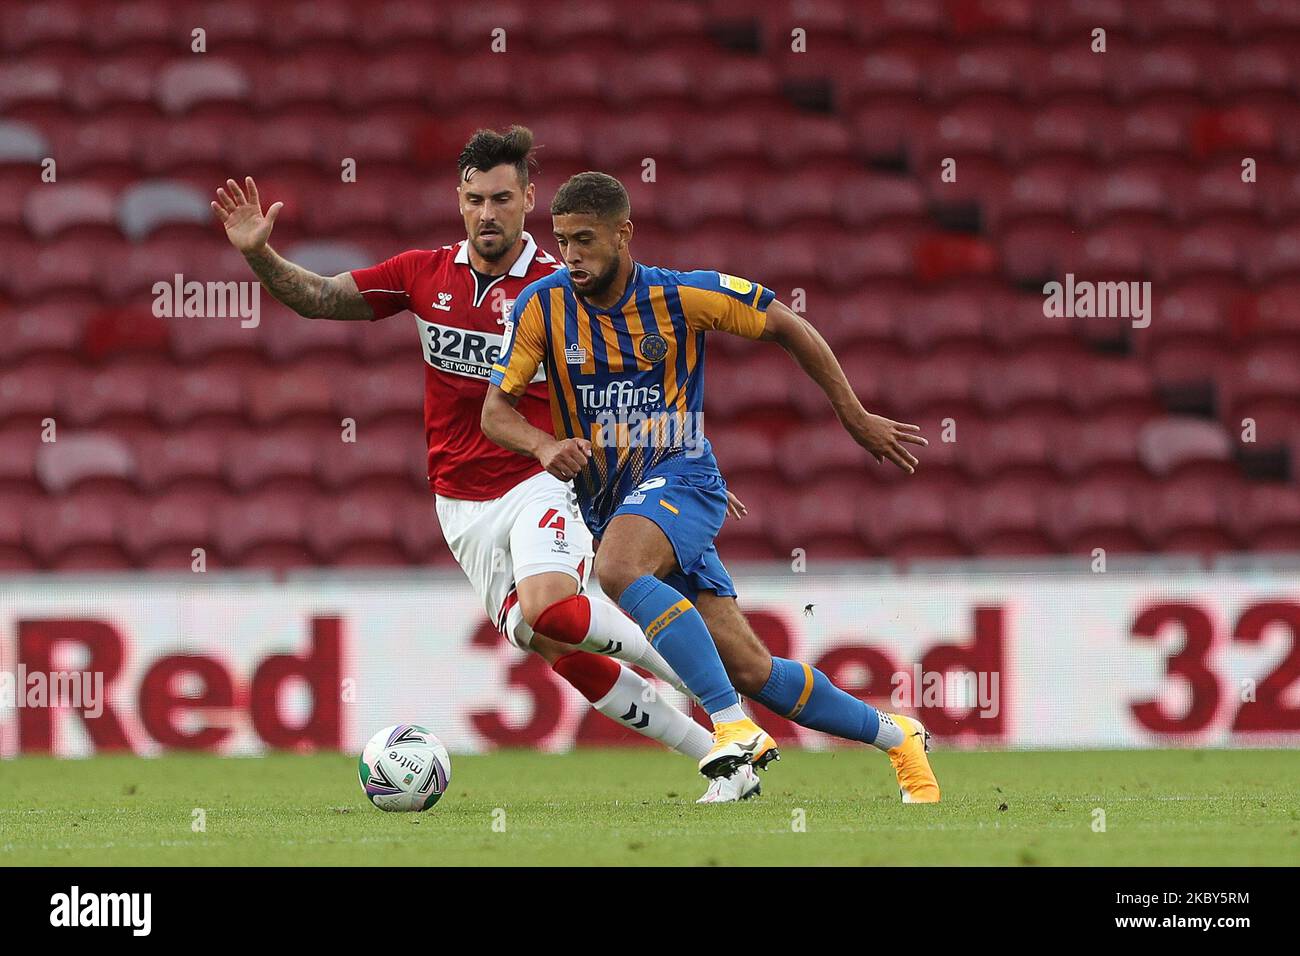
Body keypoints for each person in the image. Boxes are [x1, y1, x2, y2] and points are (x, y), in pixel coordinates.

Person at [211, 127, 759, 802]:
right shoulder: (424, 275)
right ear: (459, 201)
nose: (488, 213)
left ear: (529, 198)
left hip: (542, 479)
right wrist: (261, 256)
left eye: (502, 198)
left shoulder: (563, 286)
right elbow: (320, 298)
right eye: (475, 199)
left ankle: (718, 699)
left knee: (550, 610)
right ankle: (722, 757)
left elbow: (639, 372)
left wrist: (679, 457)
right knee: (551, 645)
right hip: (460, 502)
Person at [483, 171, 940, 801]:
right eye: (562, 241)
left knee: (616, 569)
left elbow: (787, 325)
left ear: (624, 235)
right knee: (753, 669)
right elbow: (495, 412)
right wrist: (542, 444)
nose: (571, 256)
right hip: (618, 503)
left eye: (585, 240)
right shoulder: (543, 306)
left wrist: (853, 415)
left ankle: (731, 729)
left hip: (683, 476)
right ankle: (898, 736)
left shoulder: (682, 296)